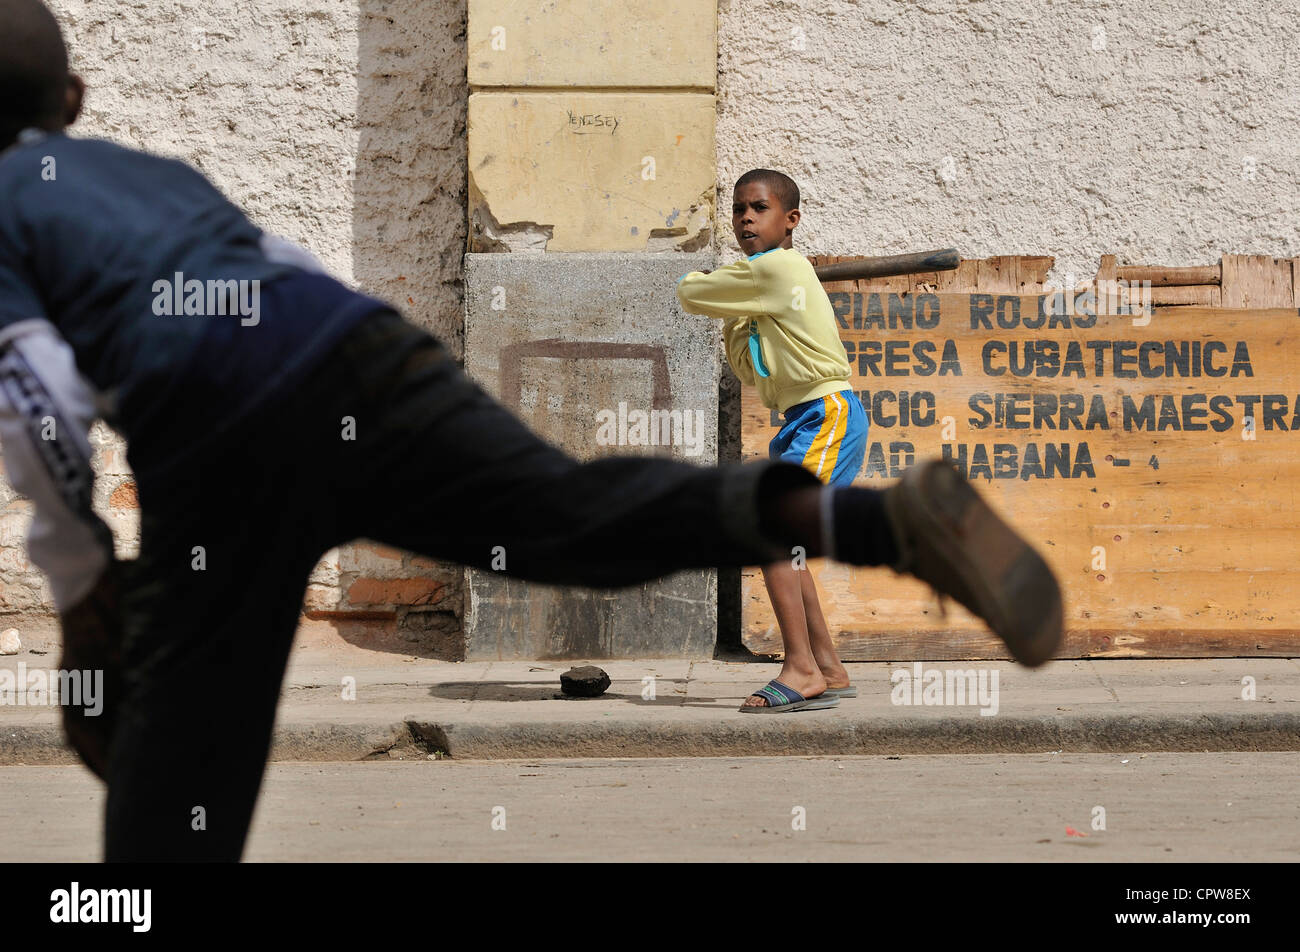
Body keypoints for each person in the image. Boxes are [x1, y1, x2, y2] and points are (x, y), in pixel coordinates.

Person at [0, 0, 1062, 861]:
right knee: (575, 518)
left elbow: (33, 388)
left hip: (221, 430)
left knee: (184, 759)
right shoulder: (154, 176)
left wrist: (85, 580)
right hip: (363, 358)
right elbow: (286, 273)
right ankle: (886, 524)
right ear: (78, 98)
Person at [677, 169, 870, 711]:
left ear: (791, 222)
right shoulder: (765, 280)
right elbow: (748, 365)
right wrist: (742, 312)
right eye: (738, 209)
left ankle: (800, 668)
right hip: (800, 420)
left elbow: (691, 294)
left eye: (758, 209)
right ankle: (827, 668)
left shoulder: (778, 268)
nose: (744, 219)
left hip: (826, 412)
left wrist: (716, 284)